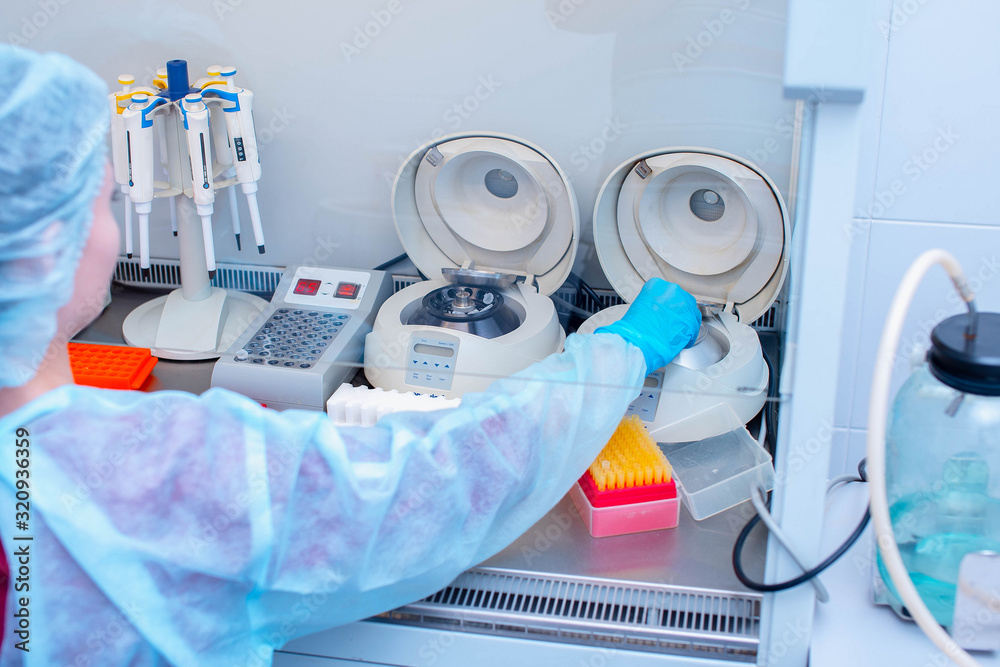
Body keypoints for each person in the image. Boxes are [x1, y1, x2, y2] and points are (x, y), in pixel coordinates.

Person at [0, 45, 701, 666]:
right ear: (40, 251)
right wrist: (615, 352)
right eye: (101, 202)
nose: (115, 225)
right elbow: (435, 487)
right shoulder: (158, 473)